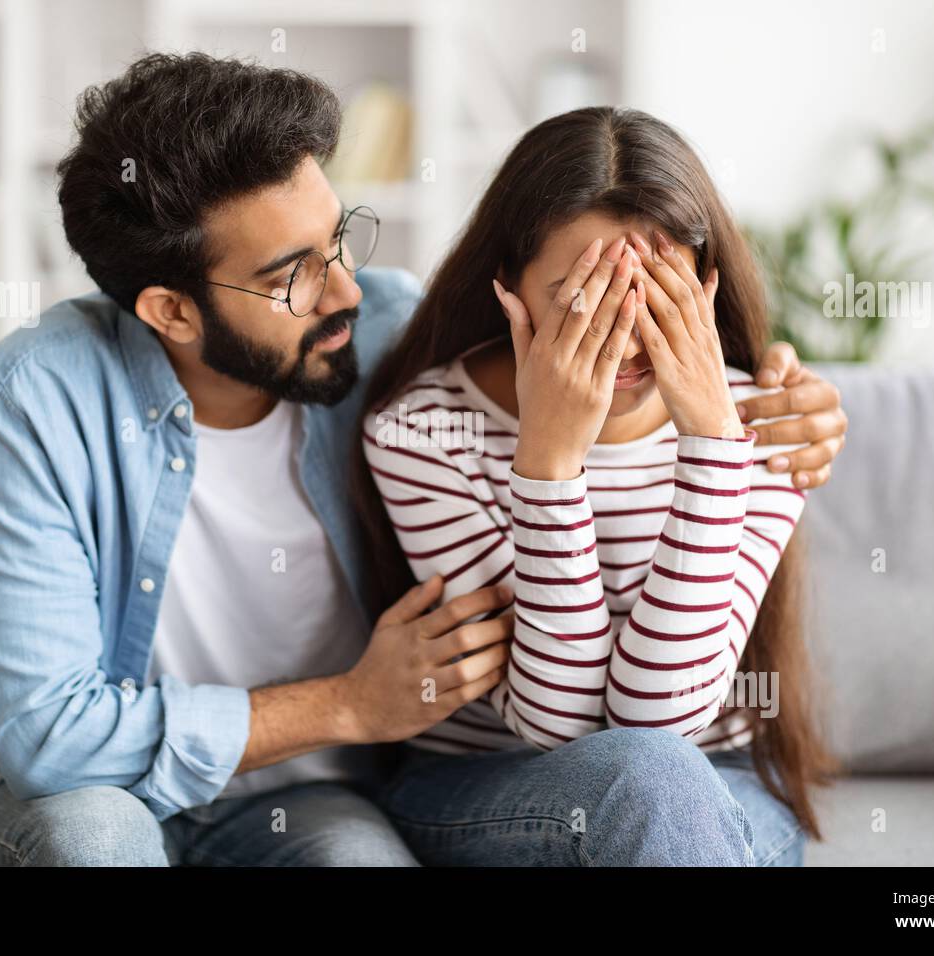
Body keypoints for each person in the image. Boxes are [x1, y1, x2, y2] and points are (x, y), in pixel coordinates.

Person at [0, 55, 845, 868]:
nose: (343, 293)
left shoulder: (396, 331)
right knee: (93, 840)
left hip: (321, 795)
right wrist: (348, 702)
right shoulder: (39, 397)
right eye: (290, 276)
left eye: (338, 240)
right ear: (171, 310)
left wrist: (772, 409)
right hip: (102, 790)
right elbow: (51, 739)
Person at [357, 106, 841, 865]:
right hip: (491, 781)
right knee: (649, 782)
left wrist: (714, 443)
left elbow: (659, 722)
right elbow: (555, 726)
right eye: (581, 294)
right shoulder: (423, 432)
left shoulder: (768, 423)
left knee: (661, 781)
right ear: (507, 287)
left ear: (705, 286)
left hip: (713, 780)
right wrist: (548, 462)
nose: (623, 329)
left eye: (654, 292)